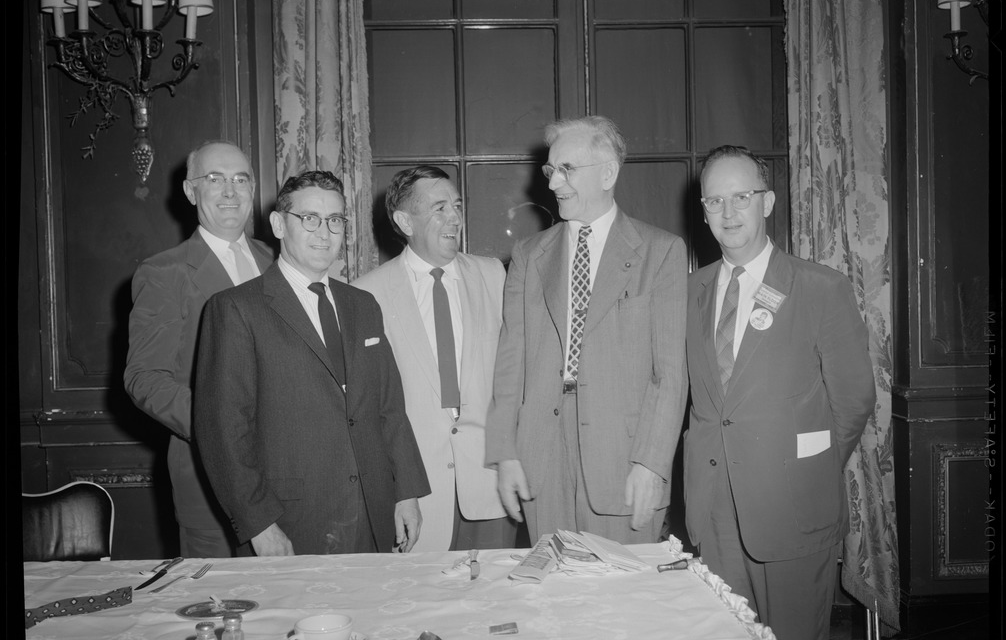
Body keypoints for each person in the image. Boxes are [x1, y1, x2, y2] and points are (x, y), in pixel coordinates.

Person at [683, 145, 876, 640]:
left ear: (766, 202)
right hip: (715, 510)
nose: (728, 212)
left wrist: (801, 468)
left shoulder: (820, 287)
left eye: (741, 197)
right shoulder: (690, 292)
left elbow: (854, 401)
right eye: (714, 201)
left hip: (792, 509)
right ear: (703, 211)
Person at [192, 170, 430, 556]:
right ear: (278, 224)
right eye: (309, 218)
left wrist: (407, 492)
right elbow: (224, 431)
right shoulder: (235, 309)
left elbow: (389, 408)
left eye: (335, 220)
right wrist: (259, 524)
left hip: (373, 512)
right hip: (291, 521)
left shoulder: (363, 305)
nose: (324, 232)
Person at [486, 115, 688, 546]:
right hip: (542, 459)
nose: (553, 182)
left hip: (625, 461)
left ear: (608, 173)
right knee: (552, 583)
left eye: (567, 169)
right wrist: (505, 452)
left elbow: (670, 374)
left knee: (621, 587)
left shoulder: (661, 252)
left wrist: (651, 463)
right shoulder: (528, 255)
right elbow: (510, 361)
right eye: (550, 170)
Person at [354, 166, 516, 552]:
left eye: (456, 206)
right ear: (404, 221)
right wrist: (398, 491)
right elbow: (368, 408)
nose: (455, 218)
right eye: (439, 208)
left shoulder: (494, 275)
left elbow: (515, 376)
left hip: (491, 483)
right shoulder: (366, 294)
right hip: (414, 495)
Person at [125, 140, 274, 558]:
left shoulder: (276, 261)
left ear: (252, 189)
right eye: (214, 179)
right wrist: (220, 426)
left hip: (287, 473)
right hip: (210, 478)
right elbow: (144, 379)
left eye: (240, 179)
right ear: (191, 192)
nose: (230, 191)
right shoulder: (164, 272)